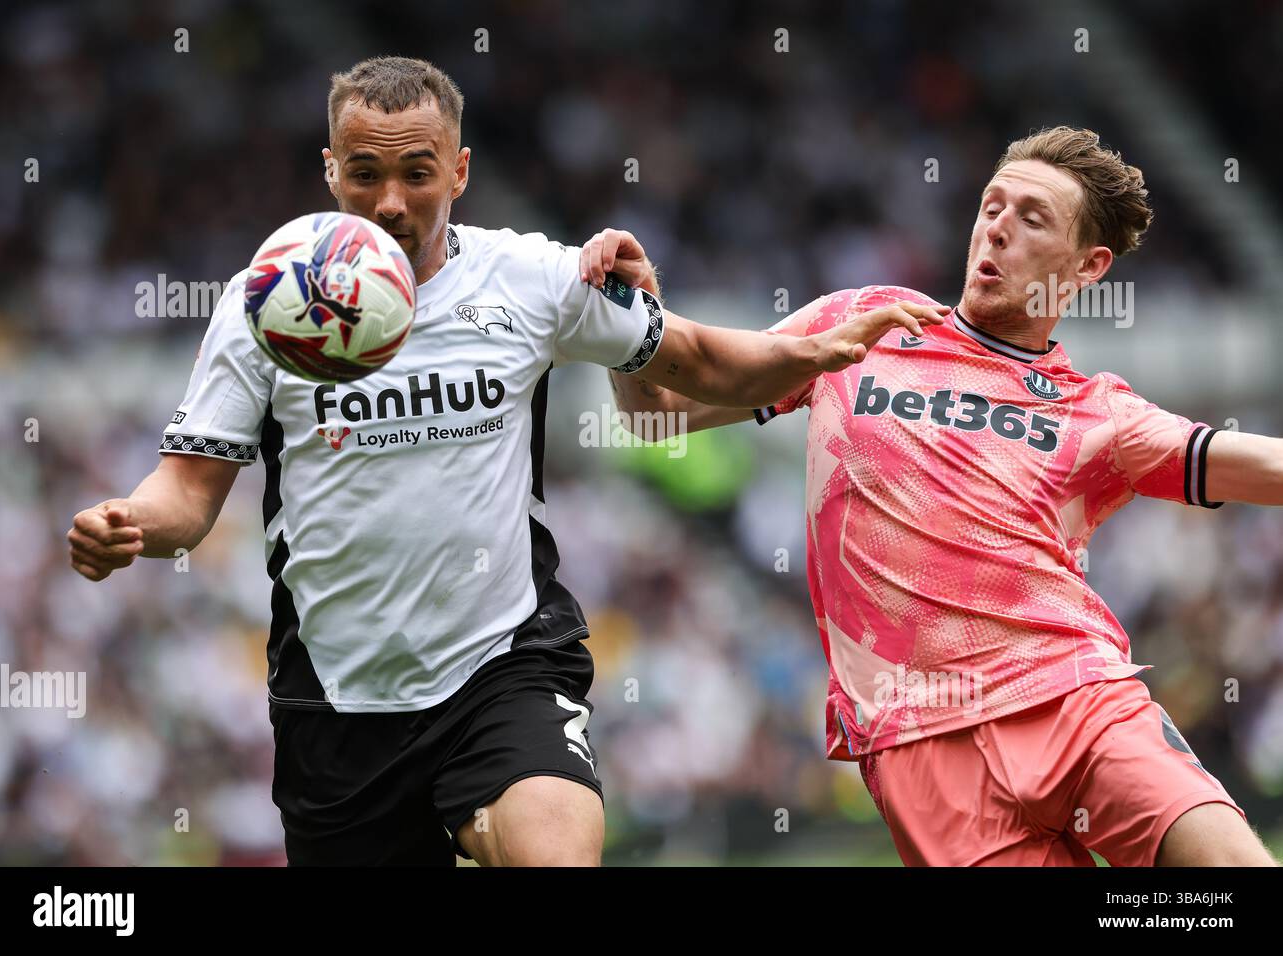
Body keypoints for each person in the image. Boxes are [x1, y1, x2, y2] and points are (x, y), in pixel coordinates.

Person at [65, 56, 939, 867]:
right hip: (337, 702)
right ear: (330, 169)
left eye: (418, 172)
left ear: (460, 172)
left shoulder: (530, 279)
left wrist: (822, 349)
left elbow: (698, 364)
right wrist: (128, 525)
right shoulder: (268, 300)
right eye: (365, 173)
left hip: (504, 665)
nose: (392, 201)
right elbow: (185, 494)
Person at [588, 126, 1281, 866]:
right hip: (921, 746)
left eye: (1033, 217)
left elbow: (1254, 462)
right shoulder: (861, 327)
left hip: (1075, 701)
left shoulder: (1100, 413)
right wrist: (629, 316)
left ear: (1088, 266)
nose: (1000, 227)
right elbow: (656, 411)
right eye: (993, 206)